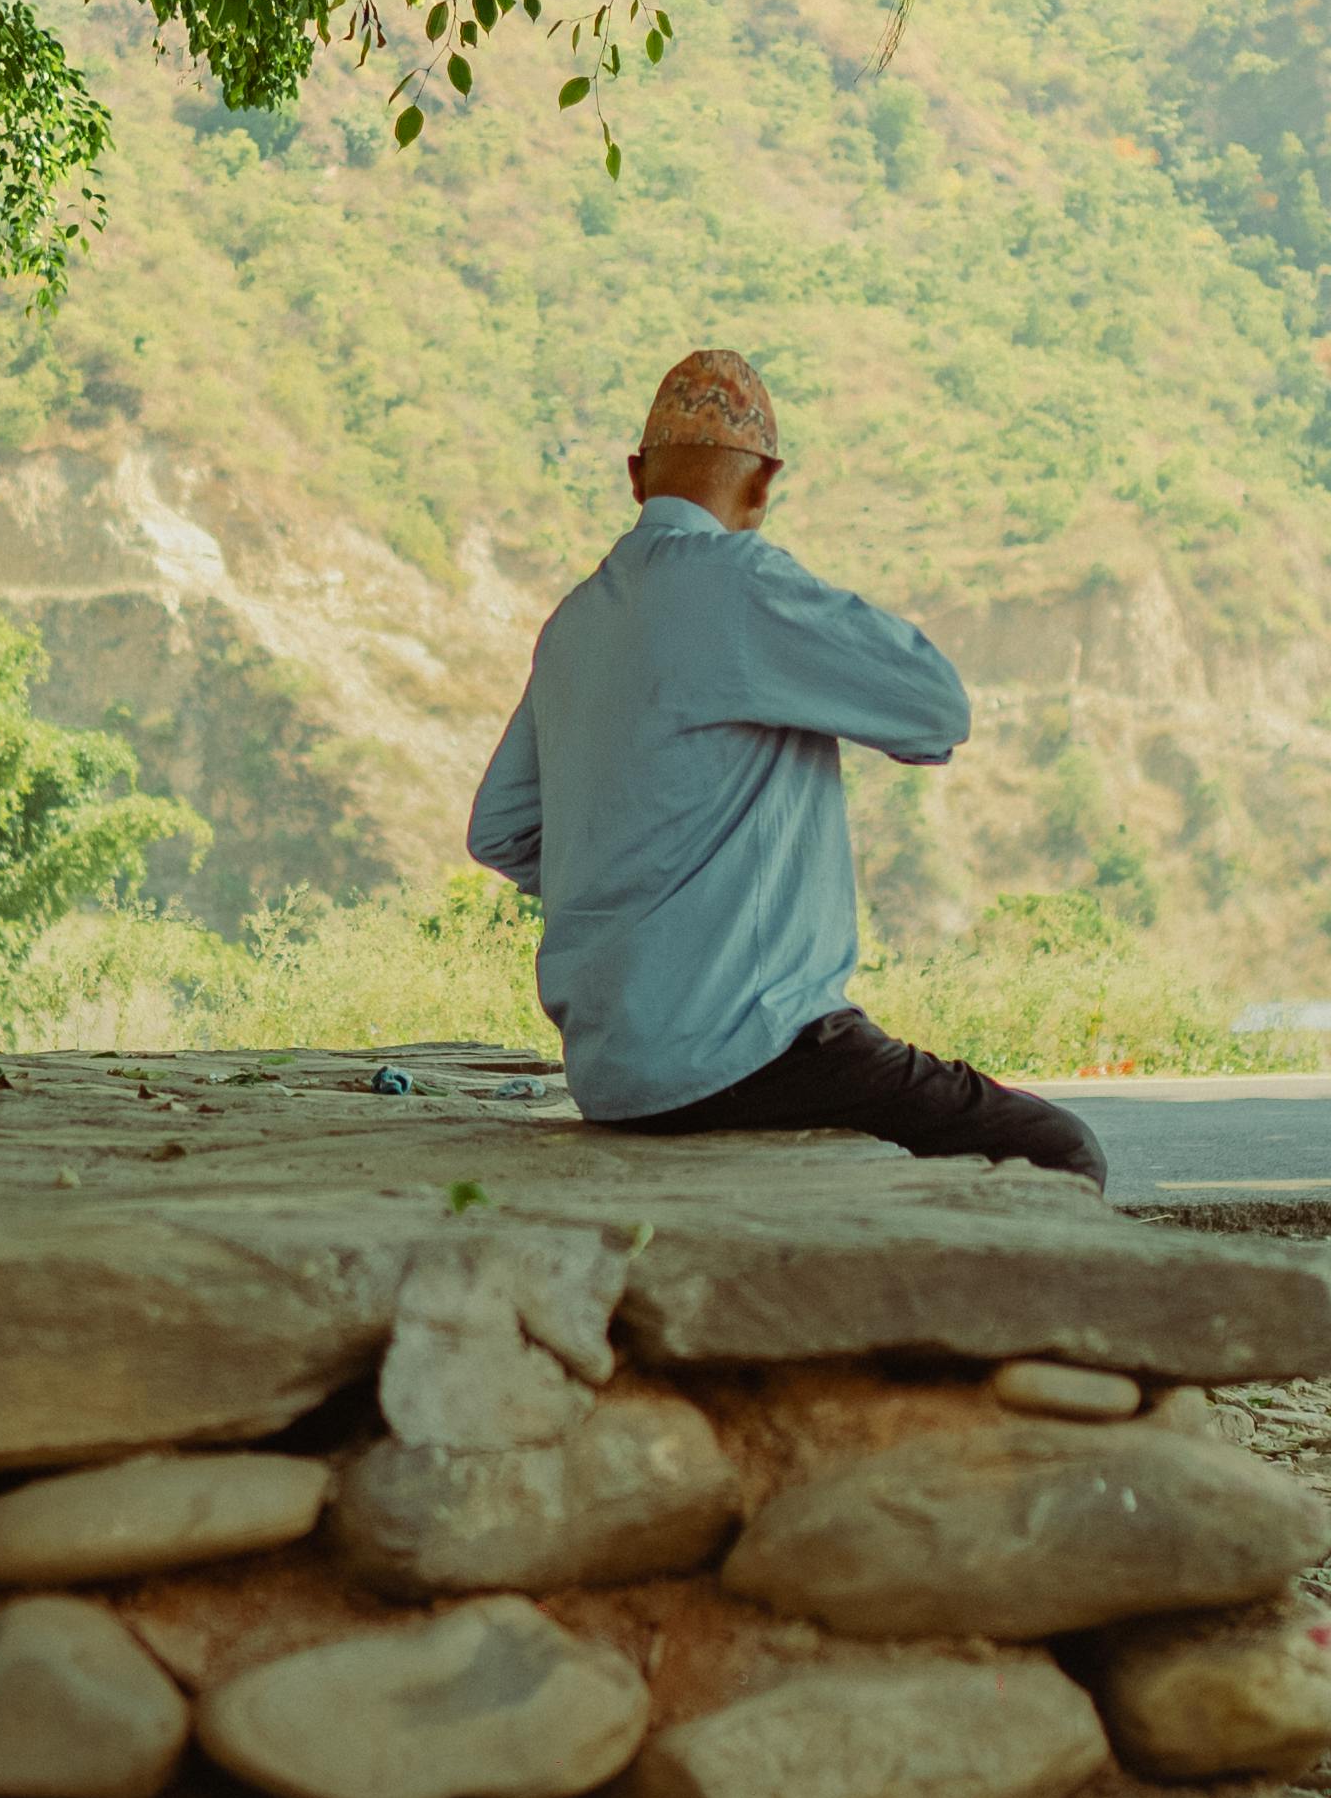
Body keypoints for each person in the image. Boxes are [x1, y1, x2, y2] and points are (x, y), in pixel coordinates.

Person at [465, 344, 1108, 1188]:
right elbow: (936, 707)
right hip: (756, 1053)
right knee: (1059, 1153)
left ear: (635, 476)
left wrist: (638, 873)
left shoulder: (577, 622)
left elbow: (501, 831)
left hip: (614, 1073)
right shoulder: (744, 585)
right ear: (764, 484)